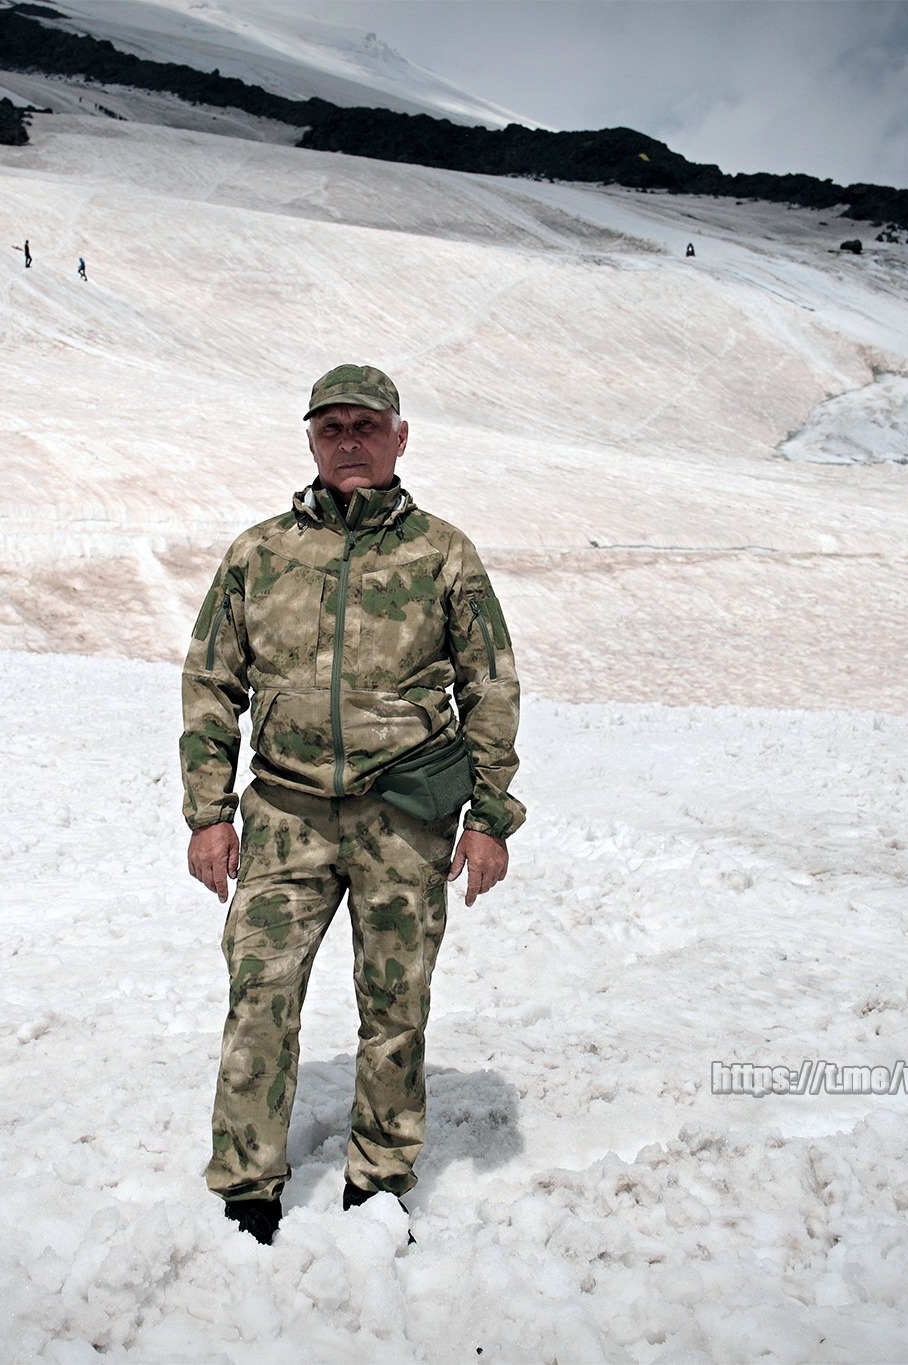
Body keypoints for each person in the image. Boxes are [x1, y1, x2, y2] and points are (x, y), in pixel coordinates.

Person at [180, 363, 525, 1245]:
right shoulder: (260, 552)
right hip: (284, 816)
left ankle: (379, 1174)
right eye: (330, 426)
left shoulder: (441, 552)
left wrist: (488, 817)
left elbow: (491, 685)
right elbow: (212, 683)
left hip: (401, 819)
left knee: (395, 1005)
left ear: (399, 437)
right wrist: (208, 811)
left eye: (365, 425)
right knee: (259, 997)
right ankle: (248, 1184)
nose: (348, 441)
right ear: (308, 438)